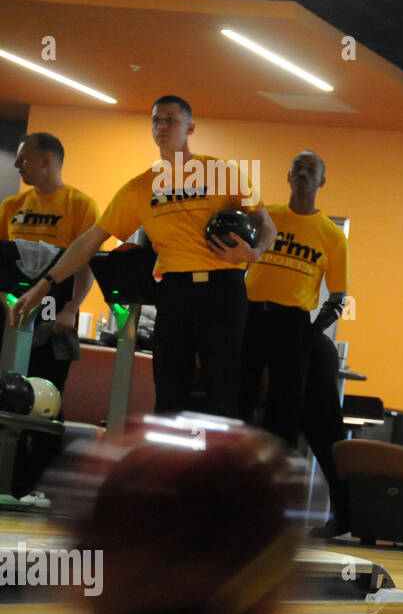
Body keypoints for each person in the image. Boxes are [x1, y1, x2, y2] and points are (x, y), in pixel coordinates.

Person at [9, 96, 275, 418]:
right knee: (169, 391)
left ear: (190, 127)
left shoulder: (222, 172)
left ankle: (220, 467)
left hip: (223, 288)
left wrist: (255, 251)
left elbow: (266, 224)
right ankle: (165, 465)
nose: (161, 126)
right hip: (174, 291)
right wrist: (44, 284)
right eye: (156, 120)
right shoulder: (140, 187)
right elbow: (91, 239)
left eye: (170, 120)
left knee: (222, 389)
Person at [239, 150, 350, 539]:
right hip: (252, 315)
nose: (303, 176)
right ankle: (234, 498)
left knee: (284, 415)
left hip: (293, 322)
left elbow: (338, 296)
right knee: (238, 405)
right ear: (288, 177)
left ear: (322, 181)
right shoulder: (265, 217)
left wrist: (314, 330)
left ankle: (275, 508)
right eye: (297, 170)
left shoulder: (333, 237)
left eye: (311, 172)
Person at [3, 133, 98, 391]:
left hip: (54, 305)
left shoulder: (79, 204)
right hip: (11, 305)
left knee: (44, 388)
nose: (17, 165)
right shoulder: (12, 206)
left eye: (23, 159)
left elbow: (86, 264)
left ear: (47, 160)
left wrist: (71, 308)